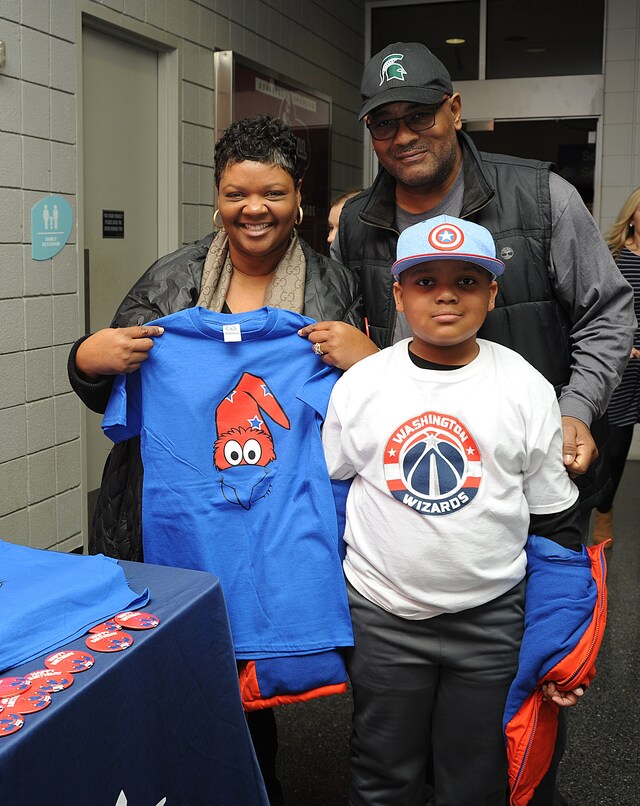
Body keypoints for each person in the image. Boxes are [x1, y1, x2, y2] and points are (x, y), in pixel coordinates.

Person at [67, 114, 373, 805]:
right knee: (185, 683)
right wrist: (89, 358)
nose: (254, 209)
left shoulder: (330, 287)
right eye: (237, 194)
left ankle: (248, 786)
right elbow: (113, 389)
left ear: (299, 201)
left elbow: (368, 412)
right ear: (216, 197)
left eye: (272, 193)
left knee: (249, 696)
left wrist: (365, 363)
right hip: (177, 521)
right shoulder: (171, 283)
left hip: (276, 525)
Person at [322, 215, 596, 806]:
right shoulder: (362, 384)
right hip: (382, 613)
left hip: (491, 617)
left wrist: (560, 638)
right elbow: (332, 500)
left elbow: (553, 523)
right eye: (424, 281)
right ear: (397, 294)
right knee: (382, 767)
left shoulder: (525, 387)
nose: (446, 293)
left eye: (467, 281)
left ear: (493, 292)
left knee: (476, 773)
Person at [331, 42, 635, 542]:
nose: (402, 136)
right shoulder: (357, 225)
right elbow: (350, 333)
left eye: (420, 116)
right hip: (416, 470)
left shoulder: (541, 199)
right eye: (383, 122)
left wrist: (577, 408)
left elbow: (608, 312)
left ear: (454, 110)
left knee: (540, 610)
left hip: (529, 471)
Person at [592, 187, 640, 546]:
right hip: (627, 366)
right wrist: (625, 345)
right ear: (632, 215)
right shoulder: (613, 257)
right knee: (616, 445)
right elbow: (604, 312)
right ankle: (604, 510)